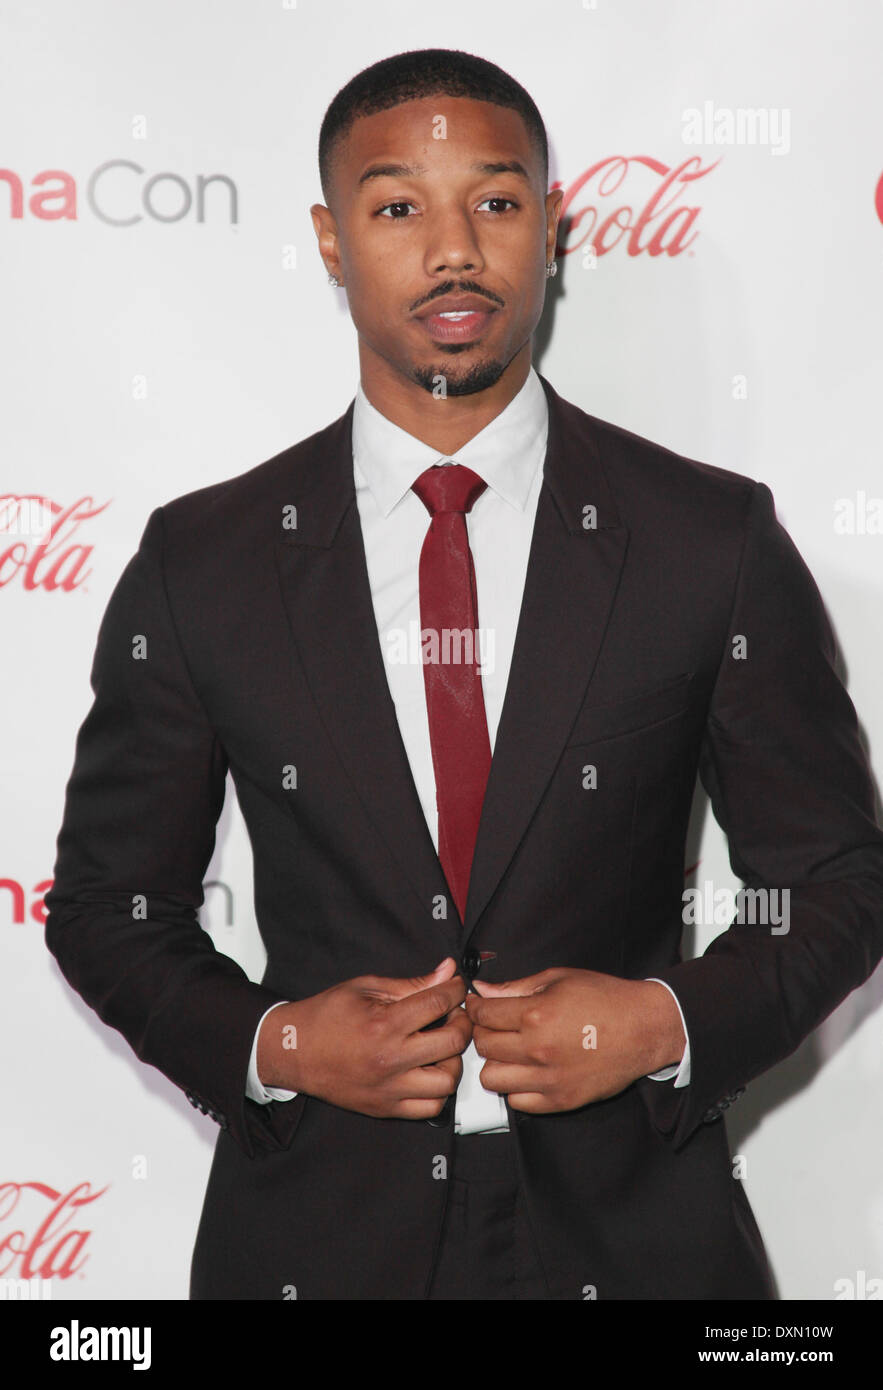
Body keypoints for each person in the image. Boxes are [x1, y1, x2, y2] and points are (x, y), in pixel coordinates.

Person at [44, 47, 883, 1301]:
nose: (453, 250)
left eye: (495, 202)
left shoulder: (709, 539)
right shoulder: (204, 559)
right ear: (329, 243)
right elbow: (109, 906)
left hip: (638, 1234)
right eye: (397, 208)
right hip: (316, 1237)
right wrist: (278, 1042)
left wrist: (662, 1022)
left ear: (551, 226)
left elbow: (836, 882)